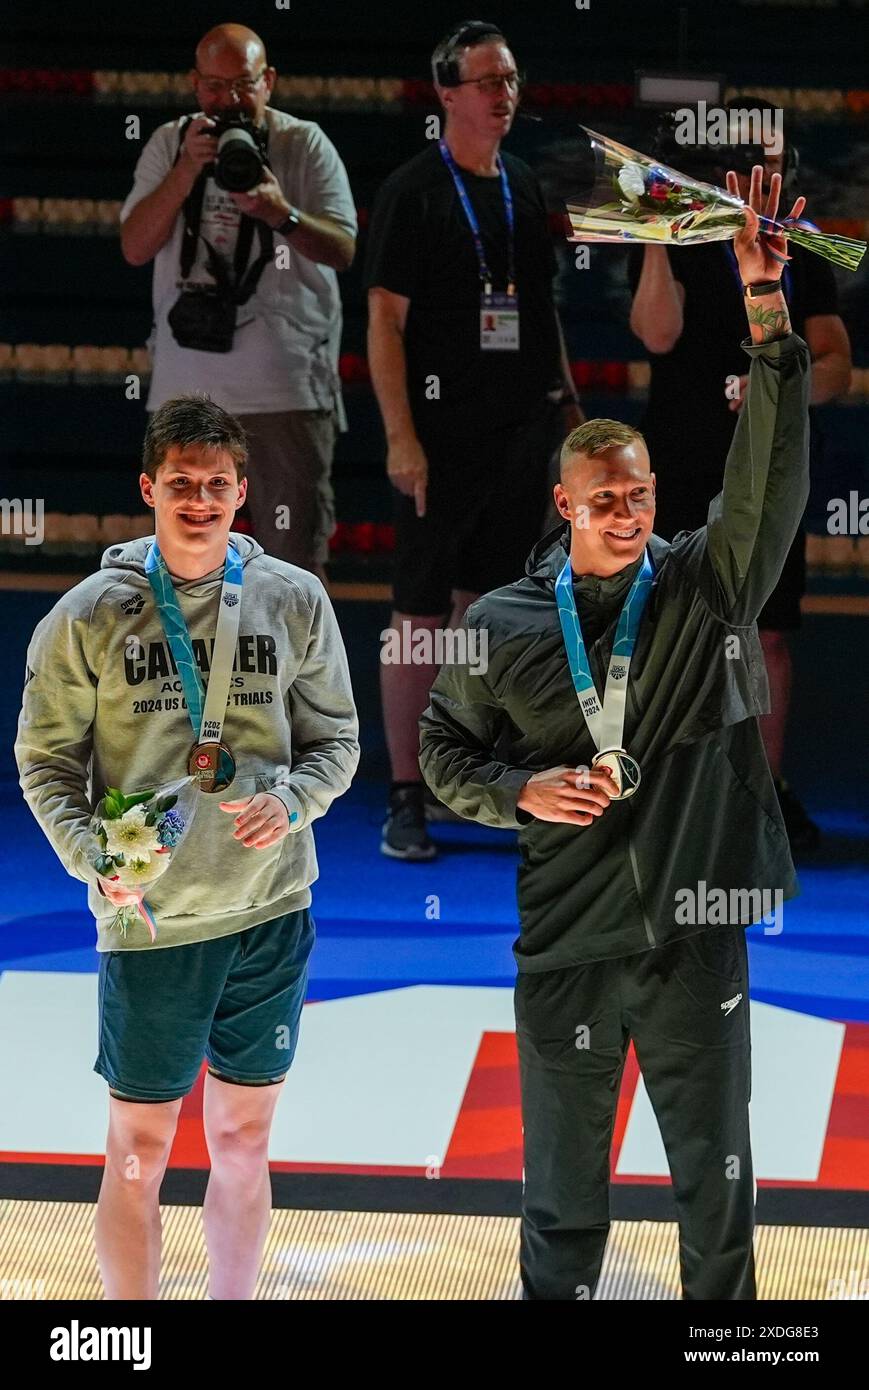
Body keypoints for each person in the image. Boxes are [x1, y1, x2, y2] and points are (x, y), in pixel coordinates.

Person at [419, 168, 810, 1299]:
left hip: (695, 934)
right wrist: (521, 795)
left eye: (637, 494)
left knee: (715, 1189)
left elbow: (768, 481)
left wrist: (763, 309)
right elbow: (446, 753)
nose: (626, 513)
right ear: (564, 506)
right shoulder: (499, 624)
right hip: (568, 947)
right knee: (560, 1199)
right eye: (603, 500)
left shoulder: (702, 585)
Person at [15, 395, 359, 1300]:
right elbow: (44, 760)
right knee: (138, 1149)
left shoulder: (293, 599)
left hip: (270, 906)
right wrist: (93, 855)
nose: (199, 500)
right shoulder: (89, 615)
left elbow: (339, 743)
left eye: (216, 485)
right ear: (148, 489)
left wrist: (292, 799)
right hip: (153, 921)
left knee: (245, 1140)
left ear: (243, 492)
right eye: (181, 485)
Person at [364, 19, 584, 860]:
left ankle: (465, 779)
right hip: (438, 437)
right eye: (487, 81)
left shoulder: (523, 185)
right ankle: (404, 795)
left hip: (520, 434)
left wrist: (565, 411)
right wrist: (400, 437)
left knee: (486, 613)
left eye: (511, 79)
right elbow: (384, 321)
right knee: (419, 614)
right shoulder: (414, 191)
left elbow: (541, 309)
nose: (504, 94)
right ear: (446, 94)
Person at [628, 101, 852, 852]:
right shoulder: (680, 239)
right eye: (759, 159)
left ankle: (760, 792)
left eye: (779, 161)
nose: (771, 173)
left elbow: (833, 366)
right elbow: (656, 333)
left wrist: (775, 386)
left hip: (770, 467)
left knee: (767, 634)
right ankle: (664, 787)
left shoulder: (803, 242)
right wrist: (654, 232)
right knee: (669, 629)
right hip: (682, 458)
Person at [120, 22, 357, 581]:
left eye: (243, 85)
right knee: (180, 561)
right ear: (194, 84)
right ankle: (191, 668)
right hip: (186, 387)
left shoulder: (303, 143)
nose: (228, 100)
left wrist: (280, 211)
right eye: (214, 86)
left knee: (294, 567)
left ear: (268, 81)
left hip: (287, 388)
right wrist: (185, 172)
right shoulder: (170, 142)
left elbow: (343, 248)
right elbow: (134, 245)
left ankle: (298, 672)